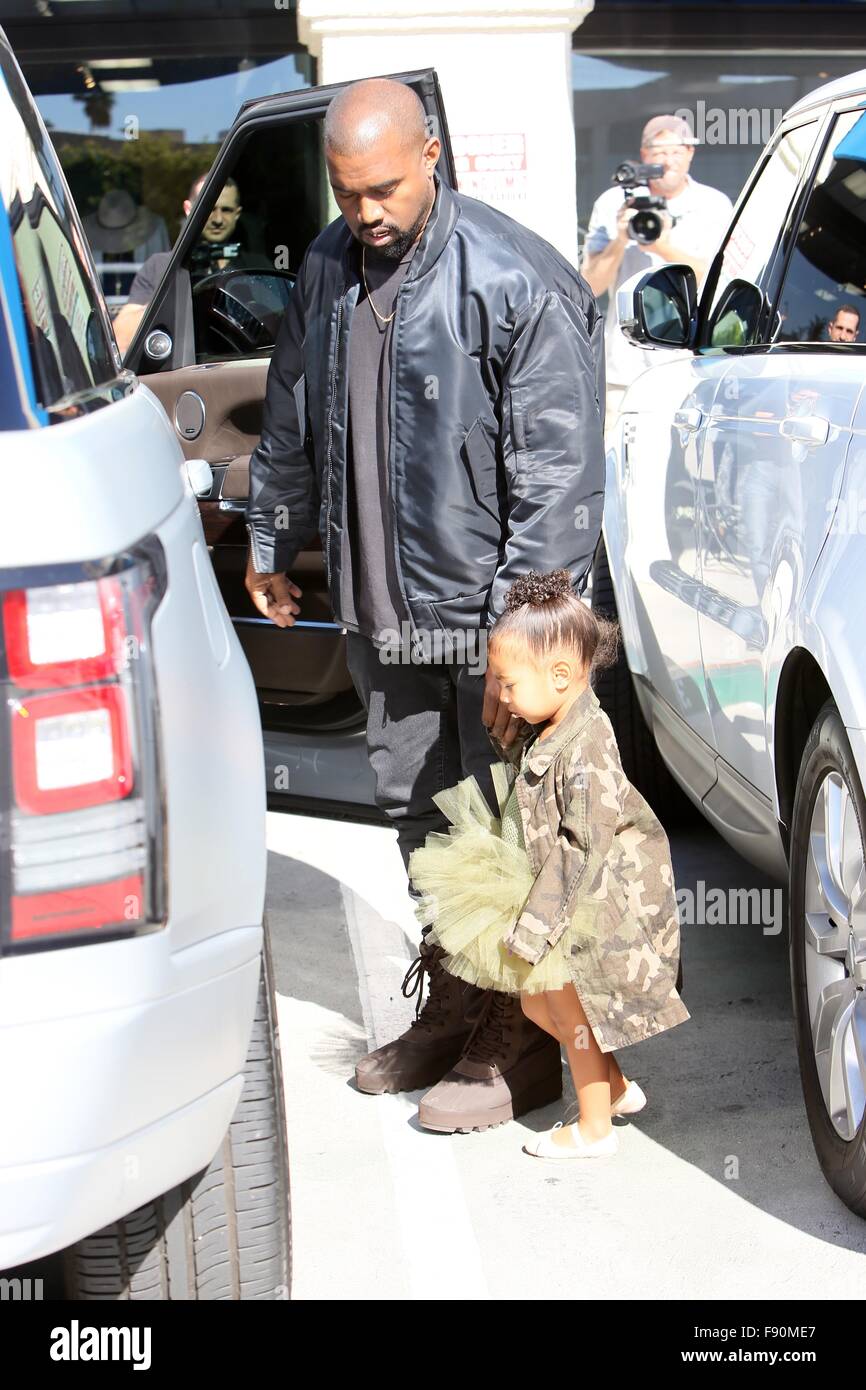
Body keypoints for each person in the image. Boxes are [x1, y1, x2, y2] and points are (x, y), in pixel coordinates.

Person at [244, 78, 606, 1134]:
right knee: (420, 815)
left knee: (508, 825)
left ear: (433, 154)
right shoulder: (324, 265)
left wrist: (523, 640)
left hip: (484, 618)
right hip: (377, 609)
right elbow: (290, 414)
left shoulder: (514, 278)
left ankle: (521, 1036)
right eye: (347, 191)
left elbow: (556, 482)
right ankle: (455, 999)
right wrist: (272, 537)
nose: (364, 213)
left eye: (384, 189)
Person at [409, 568, 690, 1154]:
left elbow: (582, 848)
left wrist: (535, 928)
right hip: (552, 888)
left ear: (561, 675)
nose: (501, 696)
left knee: (572, 1013)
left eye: (508, 684)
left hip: (586, 903)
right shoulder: (554, 724)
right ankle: (612, 1089)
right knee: (539, 1003)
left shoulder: (588, 748)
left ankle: (594, 1131)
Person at [582, 114, 732, 426]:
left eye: (677, 151)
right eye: (659, 152)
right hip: (627, 370)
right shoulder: (614, 204)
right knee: (618, 466)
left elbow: (722, 278)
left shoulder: (714, 205)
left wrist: (662, 246)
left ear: (691, 154)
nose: (669, 161)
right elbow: (589, 286)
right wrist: (621, 239)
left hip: (691, 366)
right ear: (644, 156)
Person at [113, 174, 263, 353]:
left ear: (237, 213)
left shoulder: (257, 267)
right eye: (209, 208)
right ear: (188, 209)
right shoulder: (161, 266)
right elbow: (122, 340)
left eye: (226, 210)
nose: (218, 219)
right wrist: (178, 288)